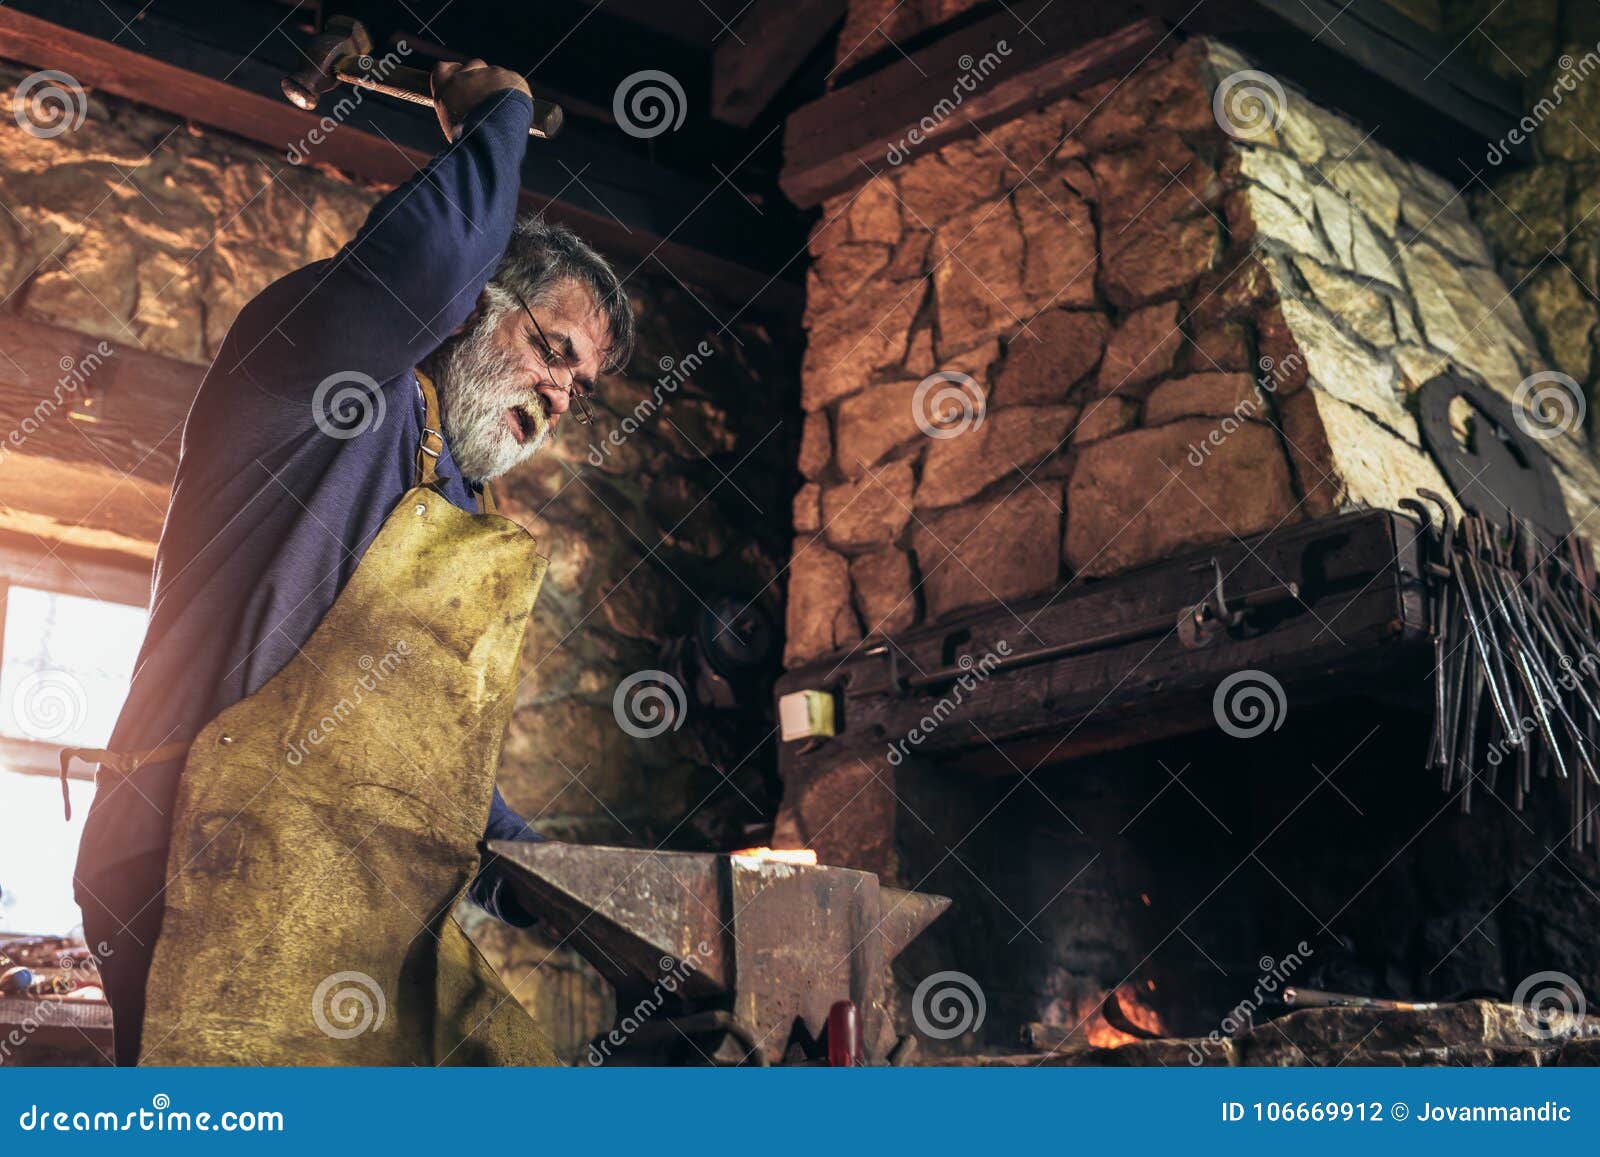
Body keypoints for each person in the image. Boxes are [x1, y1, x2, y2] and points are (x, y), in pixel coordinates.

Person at [69, 59, 633, 1066]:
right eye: (552, 347)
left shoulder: (468, 518)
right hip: (192, 853)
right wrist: (499, 113)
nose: (557, 391)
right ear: (473, 306)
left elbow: (436, 778)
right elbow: (428, 257)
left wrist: (576, 897)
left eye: (579, 387)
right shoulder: (325, 377)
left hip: (346, 901)